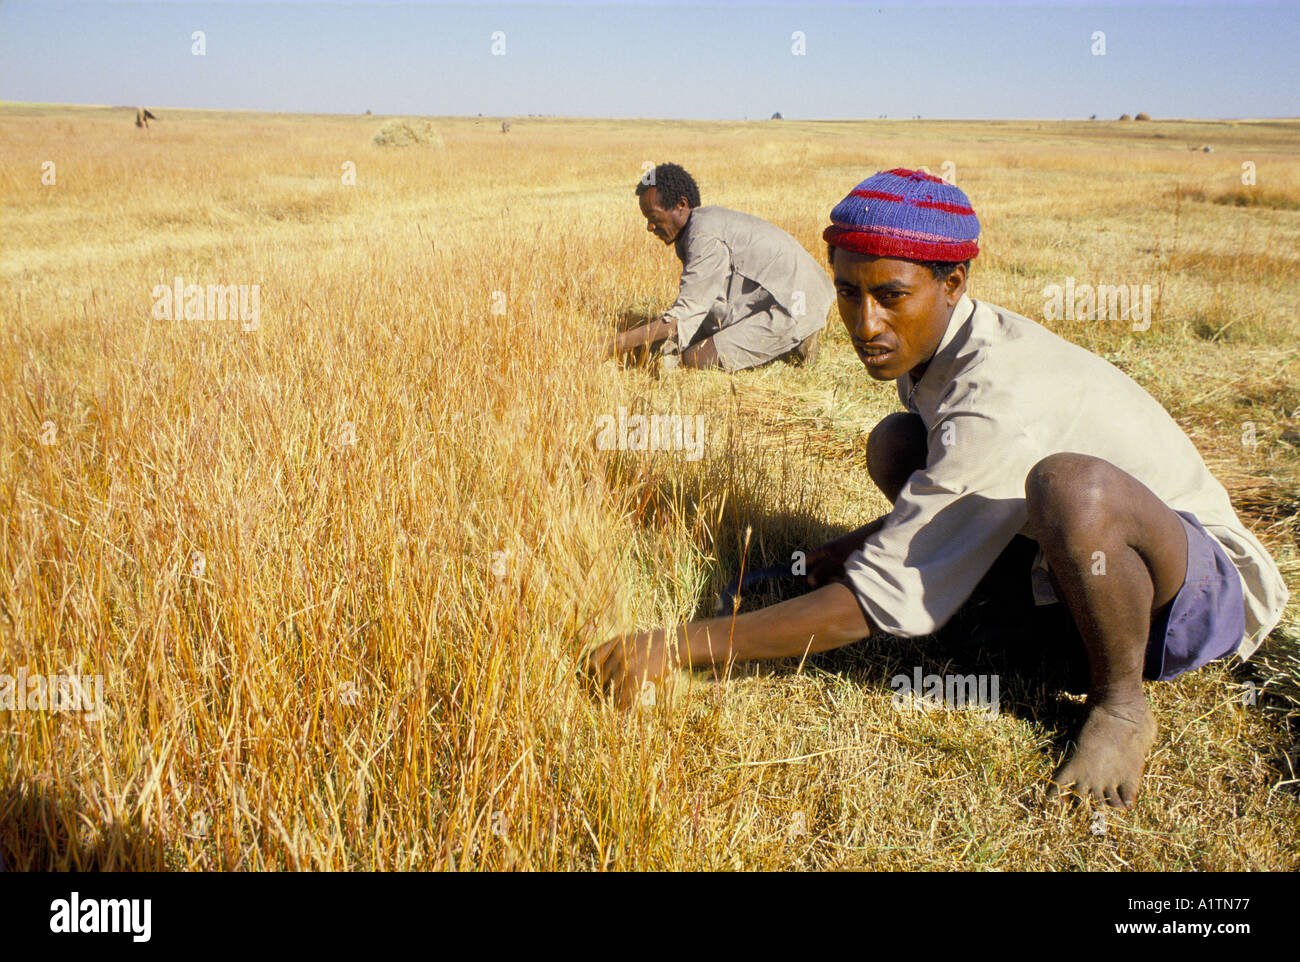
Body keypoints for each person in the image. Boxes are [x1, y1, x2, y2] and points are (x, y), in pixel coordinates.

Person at [585, 168, 1289, 811]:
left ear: (953, 283)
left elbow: (873, 604)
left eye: (891, 296)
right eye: (849, 292)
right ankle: (1017, 602)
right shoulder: (932, 350)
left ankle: (1120, 703)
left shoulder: (996, 392)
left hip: (1197, 593)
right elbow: (948, 485)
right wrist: (861, 544)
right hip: (1095, 557)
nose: (866, 325)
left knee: (1073, 488)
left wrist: (675, 646)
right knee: (899, 445)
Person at [603, 163, 833, 371]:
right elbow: (703, 301)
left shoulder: (703, 237)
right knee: (675, 346)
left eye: (653, 217)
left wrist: (611, 346)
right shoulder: (702, 224)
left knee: (694, 358)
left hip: (794, 304)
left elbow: (682, 317)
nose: (650, 227)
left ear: (681, 204)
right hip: (790, 292)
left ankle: (794, 336)